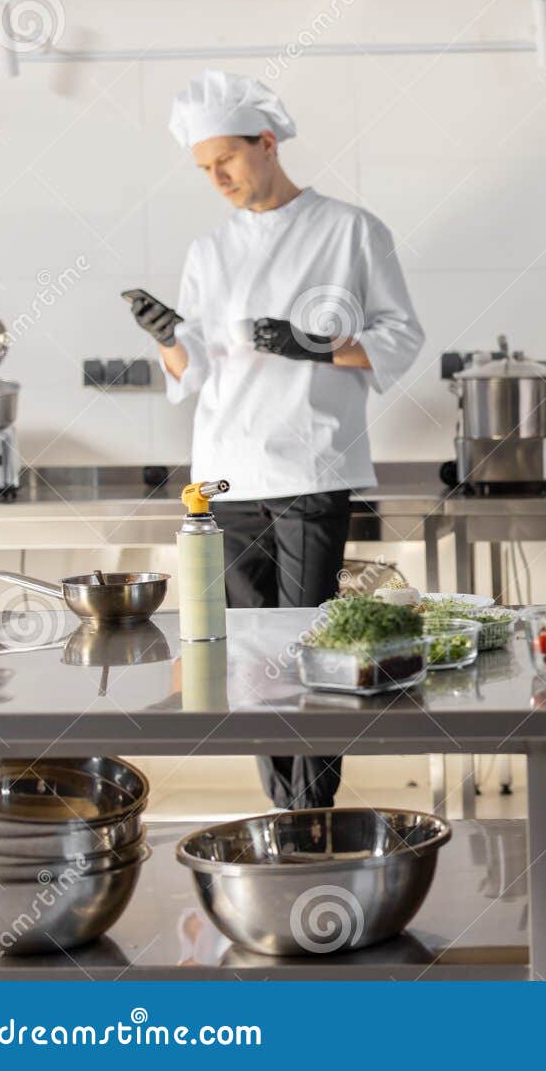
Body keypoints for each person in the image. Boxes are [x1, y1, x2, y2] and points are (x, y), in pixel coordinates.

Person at [128, 70, 425, 810]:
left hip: (312, 467)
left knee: (313, 646)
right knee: (251, 656)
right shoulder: (210, 249)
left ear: (267, 142)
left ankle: (312, 810)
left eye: (226, 158)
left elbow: (401, 337)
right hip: (228, 473)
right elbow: (194, 372)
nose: (217, 178)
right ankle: (282, 811)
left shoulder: (351, 230)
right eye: (204, 168)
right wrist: (167, 339)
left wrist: (315, 345)